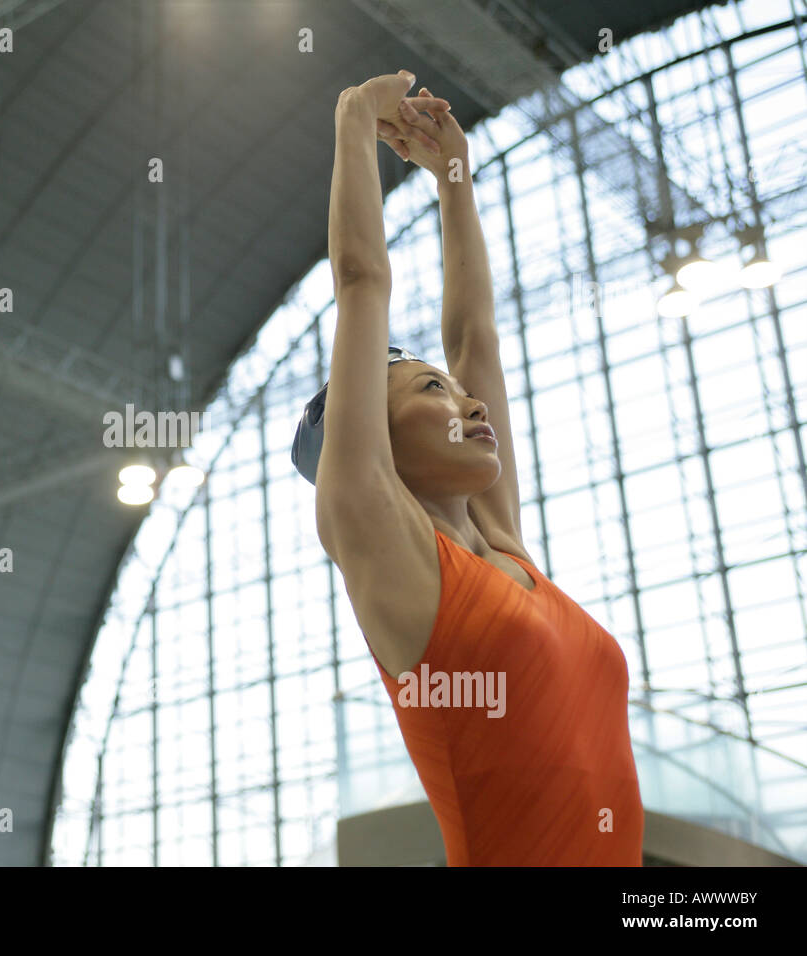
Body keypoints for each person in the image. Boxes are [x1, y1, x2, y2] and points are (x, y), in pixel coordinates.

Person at [292, 70, 644, 866]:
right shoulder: (389, 552)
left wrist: (454, 178)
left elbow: (474, 337)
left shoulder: (503, 546)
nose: (471, 402)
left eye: (456, 391)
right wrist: (352, 118)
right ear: (372, 443)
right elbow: (361, 282)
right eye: (431, 391)